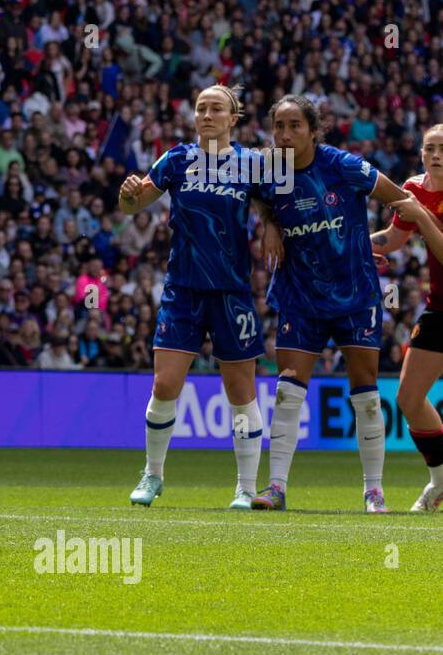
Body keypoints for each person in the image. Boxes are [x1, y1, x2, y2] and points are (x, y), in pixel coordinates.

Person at [252, 95, 411, 513]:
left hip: (354, 294)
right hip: (300, 295)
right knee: (287, 392)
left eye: (294, 125)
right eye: (279, 126)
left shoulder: (342, 165)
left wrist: (382, 242)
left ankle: (373, 491)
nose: (285, 134)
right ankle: (275, 488)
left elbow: (400, 201)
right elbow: (248, 193)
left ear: (313, 129)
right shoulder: (269, 170)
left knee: (367, 395)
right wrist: (268, 222)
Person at [117, 85, 267, 510]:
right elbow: (133, 204)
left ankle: (245, 486)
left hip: (232, 290)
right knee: (165, 384)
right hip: (182, 288)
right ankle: (152, 475)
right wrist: (128, 195)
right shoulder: (176, 159)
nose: (206, 114)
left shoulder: (252, 163)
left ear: (233, 118)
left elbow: (273, 205)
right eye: (200, 108)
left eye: (216, 108)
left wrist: (270, 224)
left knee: (241, 390)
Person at [368, 123, 443, 512]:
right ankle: (440, 481)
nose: (436, 154)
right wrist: (350, 247)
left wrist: (423, 217)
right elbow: (394, 240)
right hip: (440, 309)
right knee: (409, 399)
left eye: (442, 148)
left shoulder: (418, 202)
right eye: (429, 147)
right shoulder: (413, 190)